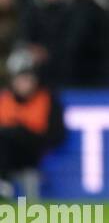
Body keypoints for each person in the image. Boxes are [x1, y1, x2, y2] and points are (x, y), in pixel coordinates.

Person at [0, 49, 66, 200]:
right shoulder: (4, 100)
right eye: (21, 79)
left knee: (14, 133)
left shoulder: (47, 100)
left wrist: (22, 132)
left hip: (32, 154)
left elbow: (57, 135)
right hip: (6, 156)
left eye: (28, 79)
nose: (25, 83)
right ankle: (3, 181)